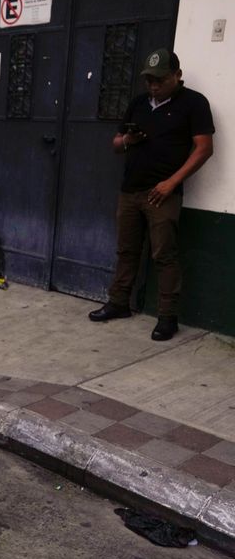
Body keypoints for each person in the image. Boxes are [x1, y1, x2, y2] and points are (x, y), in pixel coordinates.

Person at [88, 48, 214, 341]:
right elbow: (116, 144)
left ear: (177, 76)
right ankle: (119, 302)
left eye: (160, 80)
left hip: (163, 193)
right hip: (130, 190)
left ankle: (168, 317)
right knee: (127, 251)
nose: (154, 86)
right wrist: (128, 139)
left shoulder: (194, 104)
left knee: (164, 255)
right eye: (149, 81)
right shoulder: (139, 103)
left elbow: (204, 149)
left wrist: (172, 183)